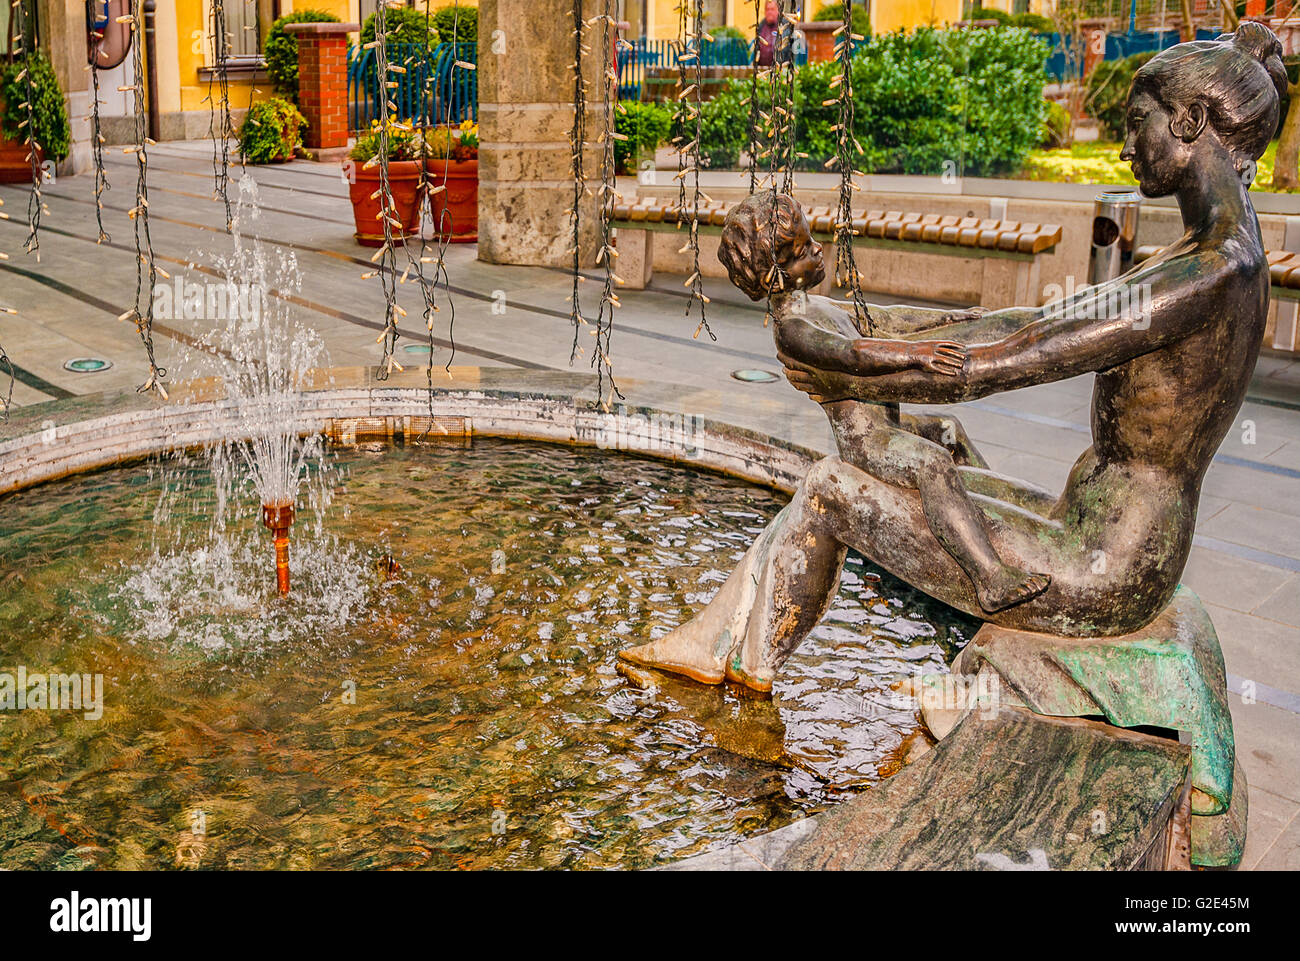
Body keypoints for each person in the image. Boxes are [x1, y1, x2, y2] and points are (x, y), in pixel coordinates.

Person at [622, 23, 1285, 693]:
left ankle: (737, 659)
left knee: (830, 490)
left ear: (1191, 119)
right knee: (943, 448)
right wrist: (857, 331)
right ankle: (897, 649)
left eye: (1136, 123)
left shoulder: (1208, 273)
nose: (1123, 146)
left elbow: (1022, 353)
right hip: (1095, 525)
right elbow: (1028, 321)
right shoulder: (1212, 250)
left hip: (1109, 565)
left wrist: (852, 363)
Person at [717, 193, 1051, 613]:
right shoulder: (794, 328)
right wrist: (917, 353)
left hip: (889, 426)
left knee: (949, 429)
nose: (818, 250)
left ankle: (986, 509)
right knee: (931, 461)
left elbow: (882, 317)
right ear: (775, 277)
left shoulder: (816, 304)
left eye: (811, 240)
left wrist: (945, 319)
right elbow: (854, 353)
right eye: (803, 252)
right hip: (868, 443)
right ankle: (990, 578)